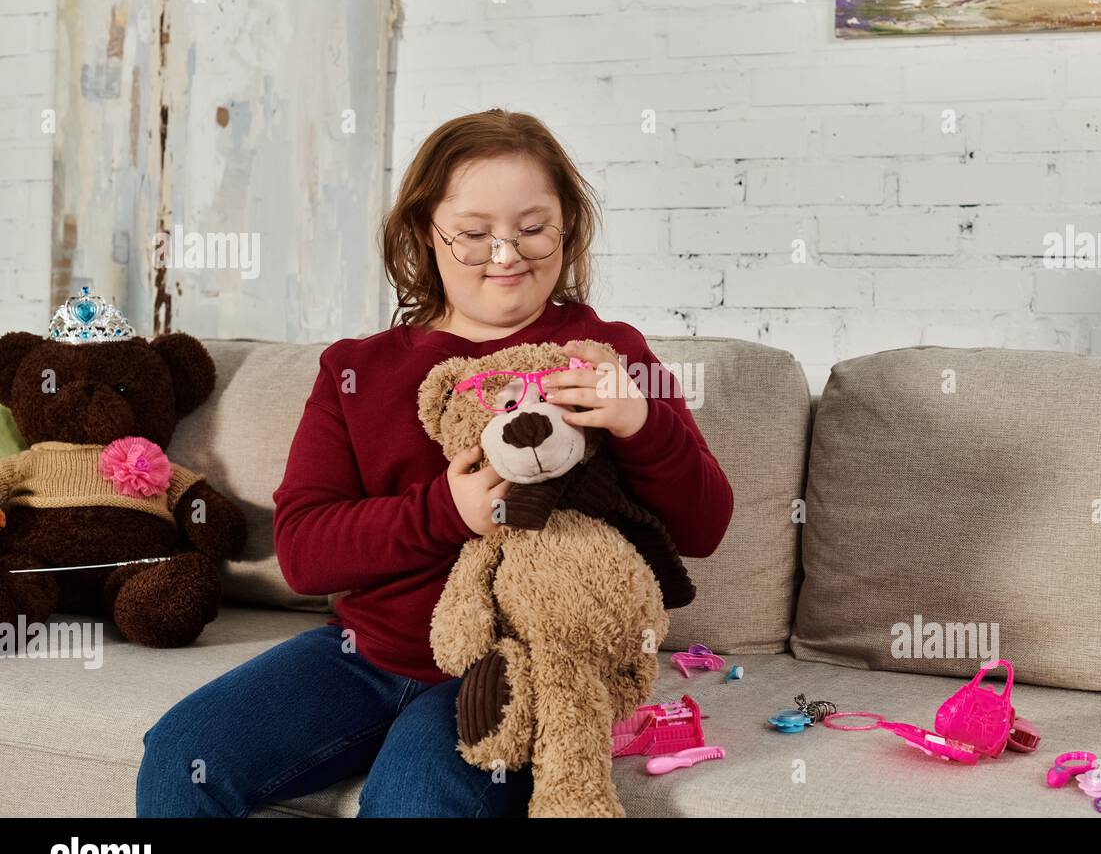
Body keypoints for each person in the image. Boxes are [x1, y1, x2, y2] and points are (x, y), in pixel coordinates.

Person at [135, 109, 734, 817]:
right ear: (426, 231)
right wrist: (444, 513)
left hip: (520, 666)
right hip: (367, 655)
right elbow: (304, 551)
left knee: (415, 796)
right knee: (181, 757)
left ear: (568, 226)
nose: (506, 255)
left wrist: (641, 422)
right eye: (475, 234)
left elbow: (703, 527)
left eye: (533, 228)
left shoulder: (607, 350)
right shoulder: (356, 369)